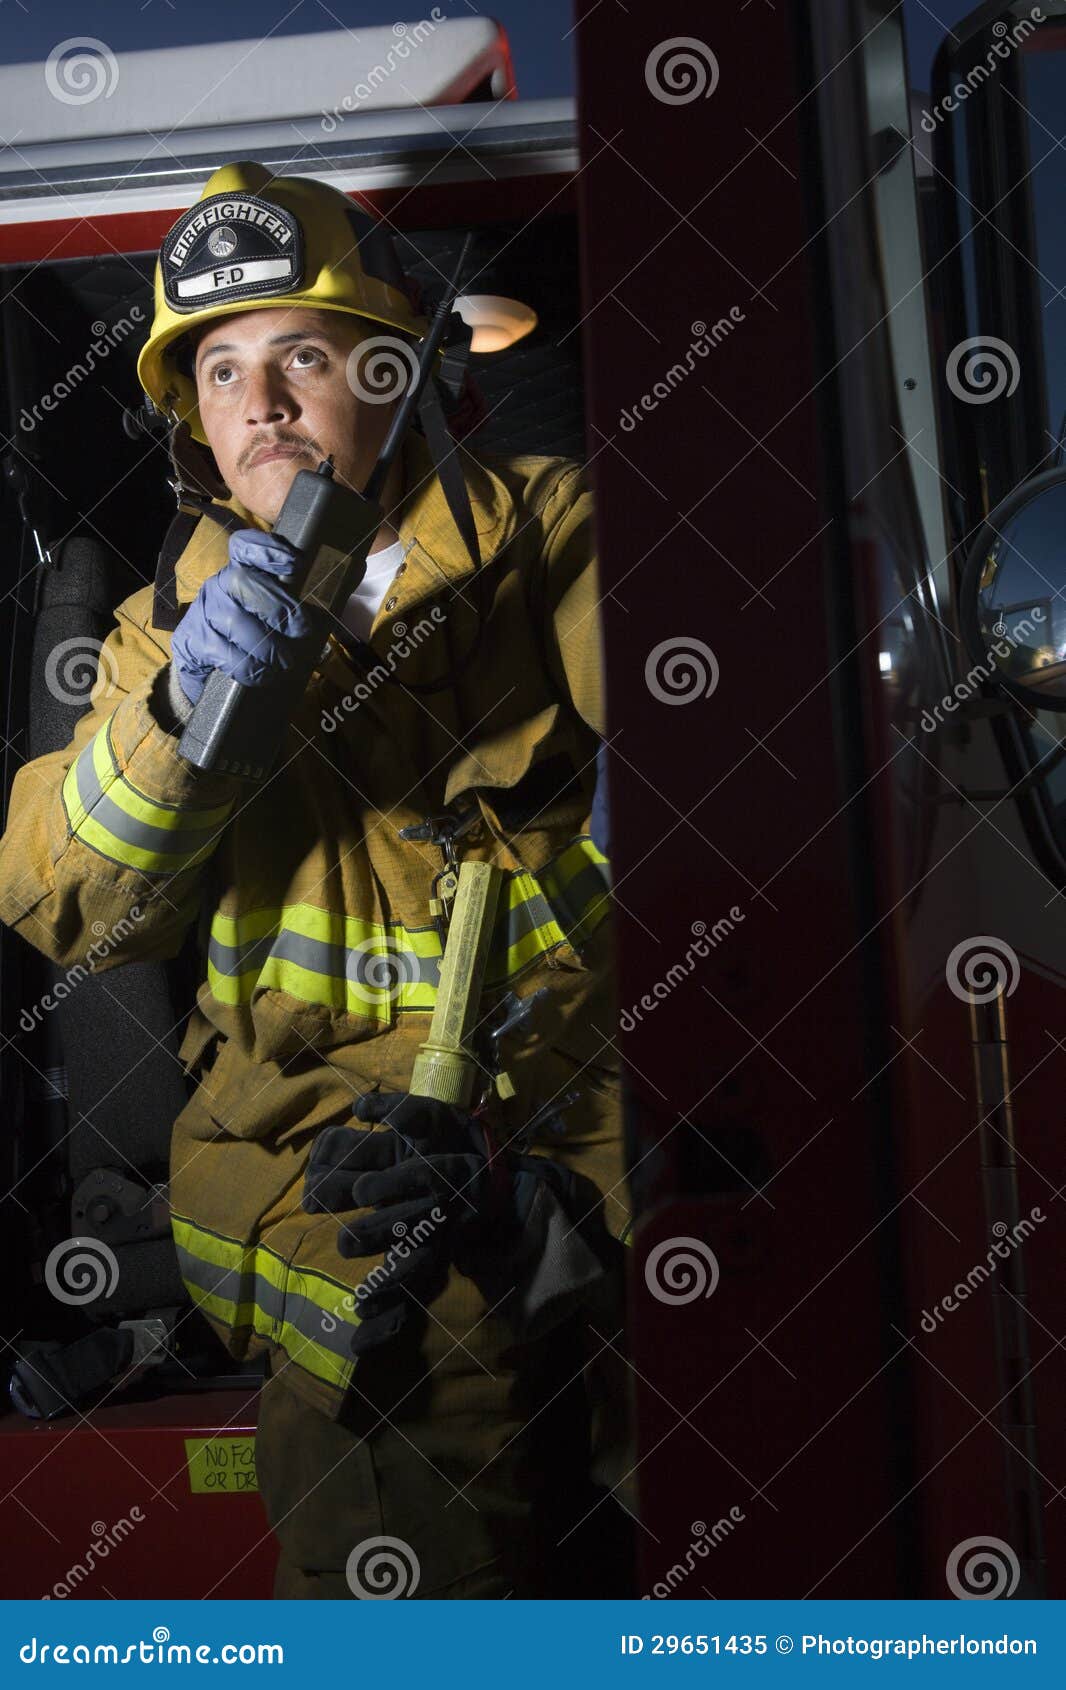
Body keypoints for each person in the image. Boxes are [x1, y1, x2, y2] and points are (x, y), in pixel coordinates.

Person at [0, 160, 634, 1599]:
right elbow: (64, 902)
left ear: (397, 372)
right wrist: (175, 732)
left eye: (302, 353)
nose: (261, 401)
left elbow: (731, 768)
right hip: (314, 1161)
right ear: (195, 426)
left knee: (742, 1485)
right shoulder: (166, 639)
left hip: (580, 1109)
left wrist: (530, 1152)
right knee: (416, 1423)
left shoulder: (550, 532)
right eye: (219, 370)